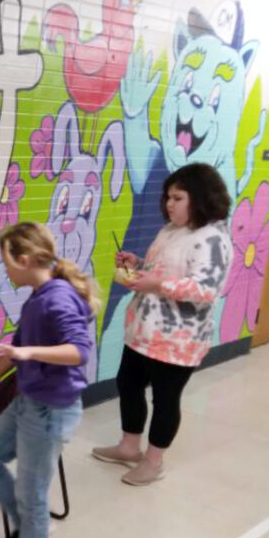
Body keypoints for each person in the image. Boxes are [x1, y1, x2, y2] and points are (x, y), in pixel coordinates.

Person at [0, 222, 99, 538]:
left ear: (24, 260)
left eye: (7, 262)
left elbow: (78, 352)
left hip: (50, 410)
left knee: (32, 491)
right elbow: (16, 347)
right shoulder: (38, 295)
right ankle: (28, 527)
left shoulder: (57, 298)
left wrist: (29, 353)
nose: (5, 271)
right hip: (29, 401)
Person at [92, 162, 232, 485]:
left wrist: (156, 284)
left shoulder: (212, 239)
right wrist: (137, 265)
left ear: (200, 198)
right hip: (144, 331)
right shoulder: (171, 229)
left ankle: (154, 461)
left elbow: (205, 291)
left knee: (165, 399)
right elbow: (163, 270)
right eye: (168, 197)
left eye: (178, 197)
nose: (169, 204)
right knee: (128, 384)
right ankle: (129, 446)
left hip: (178, 342)